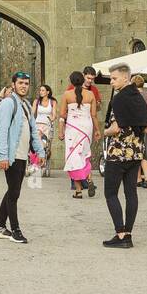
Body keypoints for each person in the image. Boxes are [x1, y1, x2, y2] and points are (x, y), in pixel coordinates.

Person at [0, 71, 44, 244]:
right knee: (14, 193)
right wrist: (3, 155)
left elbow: (34, 131)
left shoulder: (27, 105)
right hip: (12, 156)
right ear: (13, 84)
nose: (23, 86)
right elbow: (2, 129)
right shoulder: (8, 103)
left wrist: (40, 152)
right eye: (20, 83)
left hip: (22, 155)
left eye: (26, 83)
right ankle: (15, 230)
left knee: (12, 190)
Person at [102, 62, 147, 248]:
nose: (112, 82)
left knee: (110, 193)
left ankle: (120, 233)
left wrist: (104, 132)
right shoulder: (139, 97)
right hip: (136, 151)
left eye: (114, 79)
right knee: (131, 193)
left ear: (125, 77)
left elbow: (115, 127)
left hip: (118, 152)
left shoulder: (120, 99)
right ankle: (128, 234)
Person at [57, 70, 99, 199]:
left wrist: (60, 130)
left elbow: (62, 114)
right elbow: (94, 115)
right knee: (85, 155)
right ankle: (89, 179)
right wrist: (97, 130)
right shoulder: (91, 94)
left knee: (73, 157)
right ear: (83, 80)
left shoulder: (67, 95)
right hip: (87, 128)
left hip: (73, 128)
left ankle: (78, 190)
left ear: (71, 82)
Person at [32, 83, 57, 174]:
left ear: (47, 92)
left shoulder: (52, 102)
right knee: (38, 140)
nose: (41, 92)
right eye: (40, 90)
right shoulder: (36, 101)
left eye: (43, 90)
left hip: (48, 125)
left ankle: (41, 160)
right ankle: (36, 162)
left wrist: (52, 118)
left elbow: (54, 115)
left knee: (46, 145)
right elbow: (32, 113)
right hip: (38, 124)